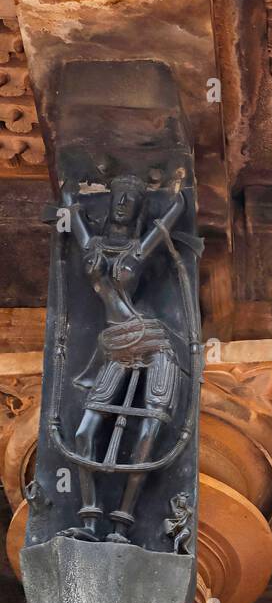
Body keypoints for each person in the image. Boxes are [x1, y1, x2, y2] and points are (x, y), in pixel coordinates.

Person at [60, 174, 185, 542]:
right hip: (116, 346)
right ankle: (88, 520)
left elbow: (173, 215)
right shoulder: (93, 244)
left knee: (147, 433)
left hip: (153, 343)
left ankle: (122, 522)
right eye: (119, 195)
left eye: (132, 198)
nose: (122, 203)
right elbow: (73, 214)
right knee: (85, 432)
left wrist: (177, 189)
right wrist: (69, 192)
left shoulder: (137, 251)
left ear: (139, 207)